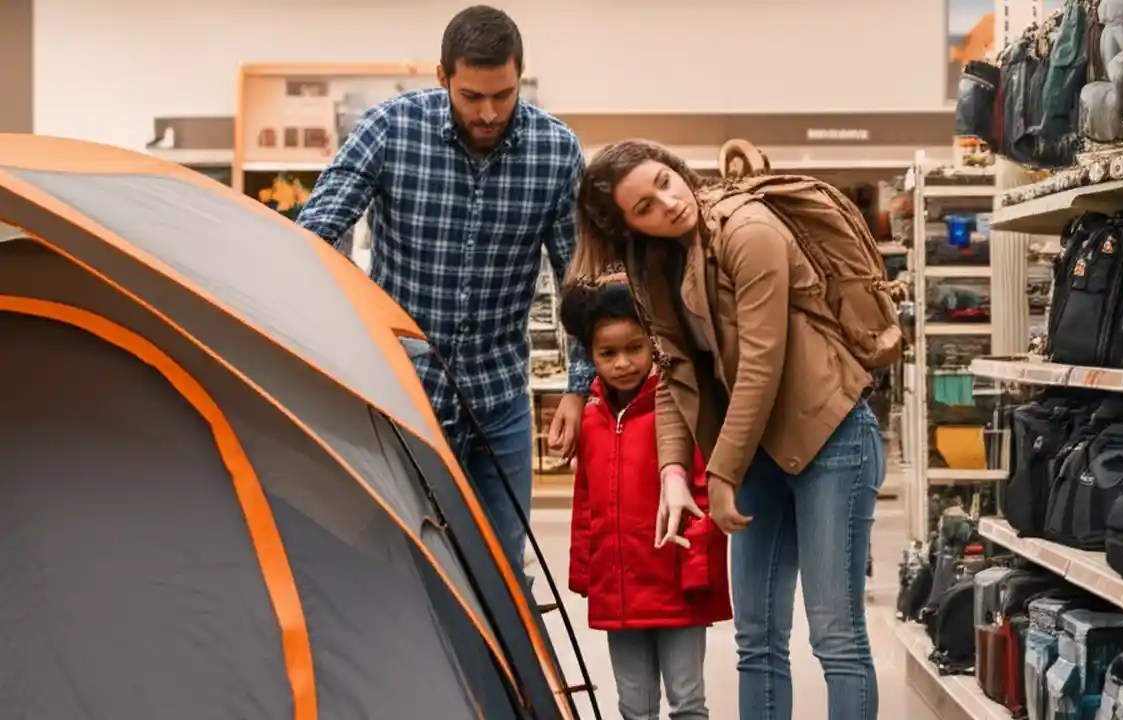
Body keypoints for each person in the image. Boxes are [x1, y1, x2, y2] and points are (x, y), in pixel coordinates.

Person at [570, 139, 886, 720]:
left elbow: (762, 366)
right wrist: (672, 473)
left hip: (832, 438)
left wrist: (718, 475)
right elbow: (674, 371)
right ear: (627, 227)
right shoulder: (655, 263)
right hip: (762, 451)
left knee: (835, 636)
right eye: (644, 206)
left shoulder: (748, 230)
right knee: (757, 639)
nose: (668, 202)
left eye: (664, 181)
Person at [295, 5, 593, 574]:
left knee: (502, 570)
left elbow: (577, 278)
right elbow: (315, 234)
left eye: (503, 95)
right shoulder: (388, 130)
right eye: (471, 96)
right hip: (402, 395)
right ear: (442, 78)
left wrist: (578, 388)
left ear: (520, 76)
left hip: (500, 399)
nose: (488, 113)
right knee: (398, 563)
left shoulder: (556, 151)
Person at [561, 276, 730, 720]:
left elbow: (699, 495)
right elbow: (586, 505)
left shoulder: (676, 410)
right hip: (618, 589)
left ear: (653, 344)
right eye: (607, 353)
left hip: (678, 587)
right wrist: (585, 572)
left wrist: (698, 570)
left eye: (634, 348)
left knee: (688, 701)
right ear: (591, 357)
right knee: (633, 707)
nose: (622, 364)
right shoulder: (592, 420)